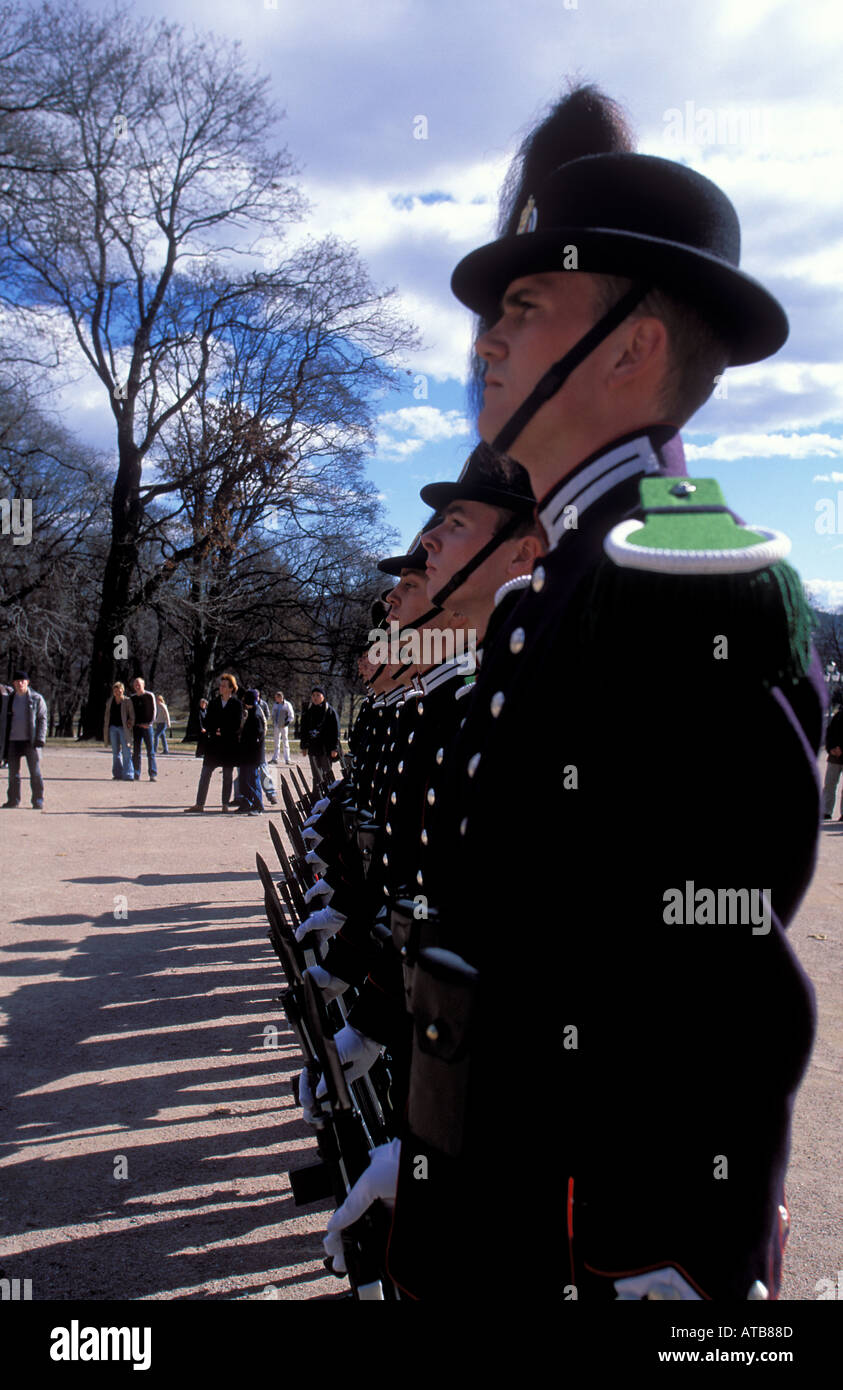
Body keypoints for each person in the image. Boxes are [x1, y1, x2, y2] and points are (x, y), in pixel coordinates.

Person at [385, 149, 824, 1302]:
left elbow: (718, 966)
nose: (485, 338)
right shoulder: (570, 573)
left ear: (631, 347)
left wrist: (669, 1254)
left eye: (524, 309)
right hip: (509, 1184)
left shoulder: (678, 560)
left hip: (587, 1232)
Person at [183, 674, 242, 812]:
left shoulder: (236, 704)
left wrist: (224, 731)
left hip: (229, 745)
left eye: (224, 685)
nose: (220, 688)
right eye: (220, 685)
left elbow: (237, 724)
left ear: (231, 688)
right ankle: (199, 804)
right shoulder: (214, 703)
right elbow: (208, 721)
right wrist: (215, 730)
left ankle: (224, 805)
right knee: (205, 774)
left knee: (227, 776)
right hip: (214, 745)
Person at [0, 670, 48, 809]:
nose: (20, 683)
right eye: (17, 681)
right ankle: (13, 800)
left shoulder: (36, 698)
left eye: (23, 681)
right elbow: (4, 721)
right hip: (13, 741)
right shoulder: (8, 700)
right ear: (14, 683)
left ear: (27, 682)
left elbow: (42, 719)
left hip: (31, 742)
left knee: (35, 772)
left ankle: (38, 800)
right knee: (13, 774)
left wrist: (40, 738)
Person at [300, 686, 340, 791]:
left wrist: (334, 748)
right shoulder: (308, 711)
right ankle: (317, 794)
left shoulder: (330, 711)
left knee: (326, 771)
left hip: (325, 748)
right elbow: (303, 729)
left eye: (318, 695)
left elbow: (336, 731)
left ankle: (329, 793)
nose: (315, 698)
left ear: (323, 697)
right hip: (313, 747)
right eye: (313, 695)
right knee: (316, 773)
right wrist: (303, 746)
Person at [236, 688, 266, 815]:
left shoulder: (256, 715)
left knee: (252, 780)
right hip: (246, 754)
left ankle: (258, 805)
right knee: (243, 780)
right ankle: (247, 802)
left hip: (252, 755)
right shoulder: (251, 712)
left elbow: (257, 737)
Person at [103, 681, 135, 780]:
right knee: (115, 752)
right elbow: (107, 715)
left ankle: (128, 774)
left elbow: (132, 715)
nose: (117, 692)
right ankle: (117, 774)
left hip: (123, 729)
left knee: (126, 751)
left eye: (119, 690)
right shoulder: (110, 701)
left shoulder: (127, 701)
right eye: (115, 690)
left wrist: (131, 722)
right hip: (113, 728)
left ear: (123, 690)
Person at [130, 677, 157, 781]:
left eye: (139, 684)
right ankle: (136, 773)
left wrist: (150, 723)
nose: (137, 686)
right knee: (136, 752)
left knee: (151, 751)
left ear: (143, 685)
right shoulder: (132, 698)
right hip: (136, 728)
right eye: (135, 684)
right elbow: (130, 713)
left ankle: (152, 774)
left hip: (147, 727)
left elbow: (154, 711)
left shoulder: (149, 695)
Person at [823, 698, 843, 819]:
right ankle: (826, 810)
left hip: (840, 751)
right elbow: (829, 733)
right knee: (830, 783)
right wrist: (831, 748)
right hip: (834, 755)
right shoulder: (838, 716)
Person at [270, 690, 294, 764]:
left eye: (277, 697)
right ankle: (275, 758)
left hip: (284, 726)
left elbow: (291, 716)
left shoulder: (287, 705)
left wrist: (286, 723)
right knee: (276, 742)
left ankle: (287, 759)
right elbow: (273, 713)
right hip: (276, 725)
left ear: (281, 697)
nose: (276, 699)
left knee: (285, 742)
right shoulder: (275, 705)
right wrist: (273, 721)